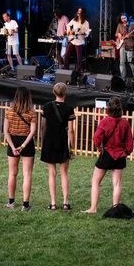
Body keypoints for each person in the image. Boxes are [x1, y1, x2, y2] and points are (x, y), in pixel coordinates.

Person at [85, 97, 133, 214]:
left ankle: (93, 208)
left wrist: (98, 147)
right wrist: (125, 152)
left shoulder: (104, 122)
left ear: (108, 109)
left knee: (95, 181)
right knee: (117, 183)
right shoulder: (125, 123)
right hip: (120, 155)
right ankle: (115, 208)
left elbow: (96, 138)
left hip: (107, 154)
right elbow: (129, 142)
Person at [39, 82, 76, 211]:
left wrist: (43, 142)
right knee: (64, 173)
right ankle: (66, 203)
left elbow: (43, 126)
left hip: (49, 141)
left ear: (54, 93)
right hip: (62, 142)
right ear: (65, 93)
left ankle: (53, 203)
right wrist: (72, 147)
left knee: (51, 173)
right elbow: (71, 131)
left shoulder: (46, 107)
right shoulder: (69, 108)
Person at [2, 87, 36, 211]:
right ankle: (25, 205)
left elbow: (5, 131)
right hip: (26, 143)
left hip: (13, 141)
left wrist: (12, 147)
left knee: (12, 173)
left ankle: (11, 202)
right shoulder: (31, 112)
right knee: (27, 174)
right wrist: (23, 146)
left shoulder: (9, 111)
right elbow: (32, 132)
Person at [114, 13, 134, 81]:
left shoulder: (132, 24)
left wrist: (130, 36)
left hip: (130, 45)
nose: (123, 19)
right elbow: (116, 33)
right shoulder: (119, 25)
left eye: (124, 18)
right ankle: (123, 78)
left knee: (130, 62)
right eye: (122, 18)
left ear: (127, 17)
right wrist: (119, 35)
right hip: (122, 45)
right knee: (122, 62)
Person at [68, 7, 91, 72]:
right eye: (78, 11)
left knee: (79, 58)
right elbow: (68, 25)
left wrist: (83, 33)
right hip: (73, 40)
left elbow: (87, 32)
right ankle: (65, 70)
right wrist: (70, 31)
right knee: (66, 55)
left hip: (79, 41)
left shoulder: (86, 22)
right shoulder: (74, 20)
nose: (78, 12)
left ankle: (78, 72)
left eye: (80, 11)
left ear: (83, 13)